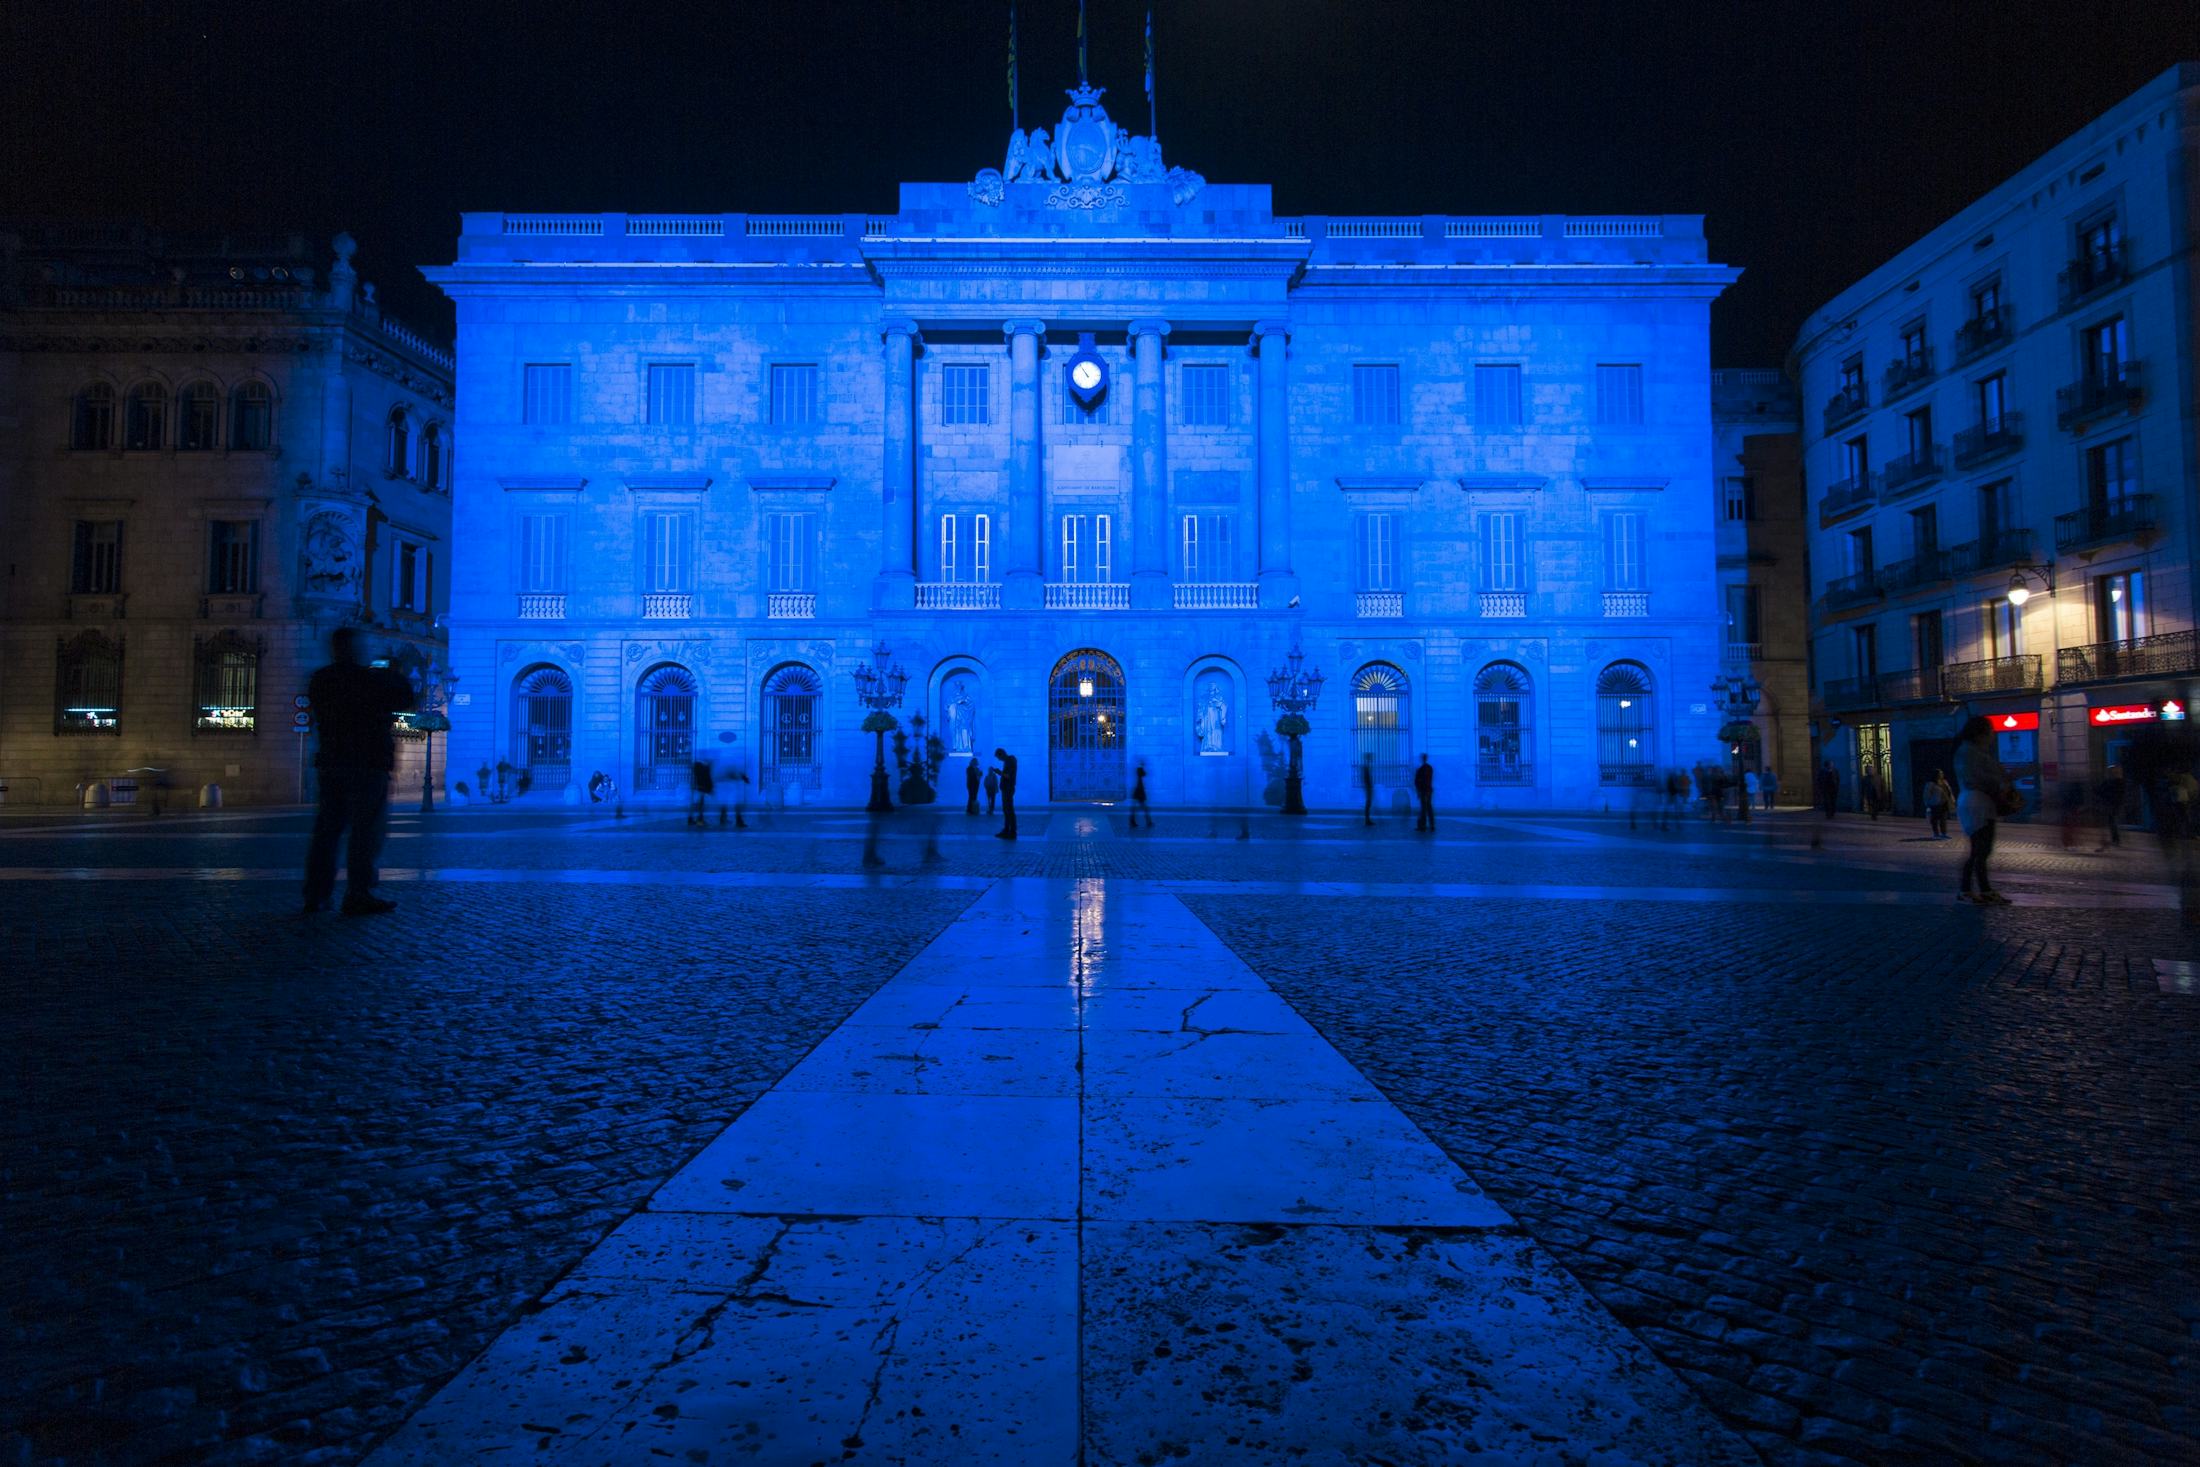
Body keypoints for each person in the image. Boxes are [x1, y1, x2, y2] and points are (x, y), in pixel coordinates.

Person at [302, 627, 414, 916]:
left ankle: (316, 894)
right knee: (365, 833)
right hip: (367, 765)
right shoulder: (369, 680)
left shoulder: (321, 680)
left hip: (331, 764)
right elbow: (405, 696)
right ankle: (358, 892)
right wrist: (387, 669)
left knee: (327, 832)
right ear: (354, 649)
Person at [1954, 715, 2013, 905]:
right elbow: (1976, 777)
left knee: (1979, 850)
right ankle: (1978, 890)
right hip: (1977, 803)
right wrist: (1998, 782)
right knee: (1981, 849)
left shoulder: (1973, 751)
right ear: (1980, 734)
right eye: (1990, 731)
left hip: (1977, 803)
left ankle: (1971, 890)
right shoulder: (1970, 752)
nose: (1993, 735)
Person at [2097, 764, 2127, 849]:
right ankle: (2115, 839)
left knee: (2112, 821)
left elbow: (2102, 790)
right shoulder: (2118, 781)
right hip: (2114, 804)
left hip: (2111, 804)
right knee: (2112, 821)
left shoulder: (2113, 781)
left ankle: (2115, 840)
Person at [994, 747, 1018, 839]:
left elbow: (1008, 776)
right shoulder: (1008, 761)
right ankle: (1007, 829)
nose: (999, 760)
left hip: (1008, 788)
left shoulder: (1010, 761)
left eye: (998, 757)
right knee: (1006, 809)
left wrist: (999, 772)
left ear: (1002, 754)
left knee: (1009, 810)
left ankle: (1012, 831)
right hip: (1006, 788)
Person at [1923, 768, 1953, 840]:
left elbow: (1949, 791)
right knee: (1935, 819)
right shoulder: (1930, 784)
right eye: (1940, 773)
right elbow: (1926, 795)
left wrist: (1952, 800)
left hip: (1944, 803)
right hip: (1935, 804)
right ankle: (1936, 833)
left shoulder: (1944, 782)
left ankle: (1943, 833)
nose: (1941, 775)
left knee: (1943, 819)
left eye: (1942, 773)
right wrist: (1927, 803)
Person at [687, 758, 713, 827]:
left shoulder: (697, 770)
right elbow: (705, 781)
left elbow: (695, 781)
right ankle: (699, 820)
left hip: (697, 789)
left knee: (697, 805)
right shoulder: (704, 770)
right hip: (700, 789)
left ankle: (692, 819)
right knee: (700, 805)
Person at [1413, 753, 1435, 832]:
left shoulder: (1420, 769)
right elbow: (1429, 779)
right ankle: (1432, 825)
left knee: (1423, 808)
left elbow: (1417, 781)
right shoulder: (1430, 768)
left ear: (1422, 758)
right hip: (1428, 790)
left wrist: (1418, 791)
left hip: (1423, 790)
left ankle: (1423, 826)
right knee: (1429, 807)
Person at [1129, 761, 1152, 828]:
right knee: (1144, 808)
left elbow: (1144, 774)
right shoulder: (1139, 770)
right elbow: (1144, 773)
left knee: (1137, 808)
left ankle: (1133, 821)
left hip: (1138, 791)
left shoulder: (1138, 772)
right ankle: (1148, 822)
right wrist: (1141, 766)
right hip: (1139, 792)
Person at [1360, 753, 1376, 827]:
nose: (1372, 759)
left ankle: (1367, 819)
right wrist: (1368, 787)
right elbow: (1366, 778)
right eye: (1370, 757)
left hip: (1368, 787)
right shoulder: (1365, 766)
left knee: (1368, 803)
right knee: (1368, 803)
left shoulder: (1366, 766)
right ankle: (1367, 819)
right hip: (1368, 788)